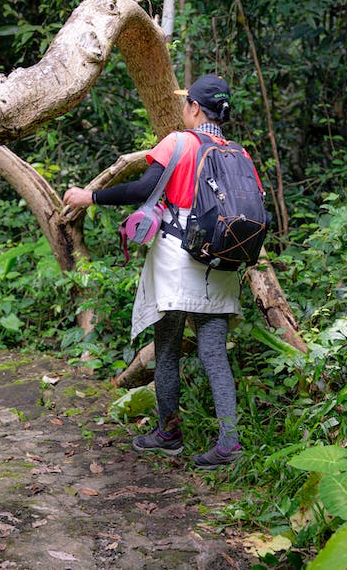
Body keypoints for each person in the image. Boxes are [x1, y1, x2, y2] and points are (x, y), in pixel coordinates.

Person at [63, 74, 260, 470]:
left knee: (167, 347)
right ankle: (229, 442)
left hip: (179, 257)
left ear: (193, 109)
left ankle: (169, 433)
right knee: (213, 353)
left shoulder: (180, 142)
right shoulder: (239, 152)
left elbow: (142, 188)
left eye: (186, 103)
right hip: (222, 260)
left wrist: (91, 197)